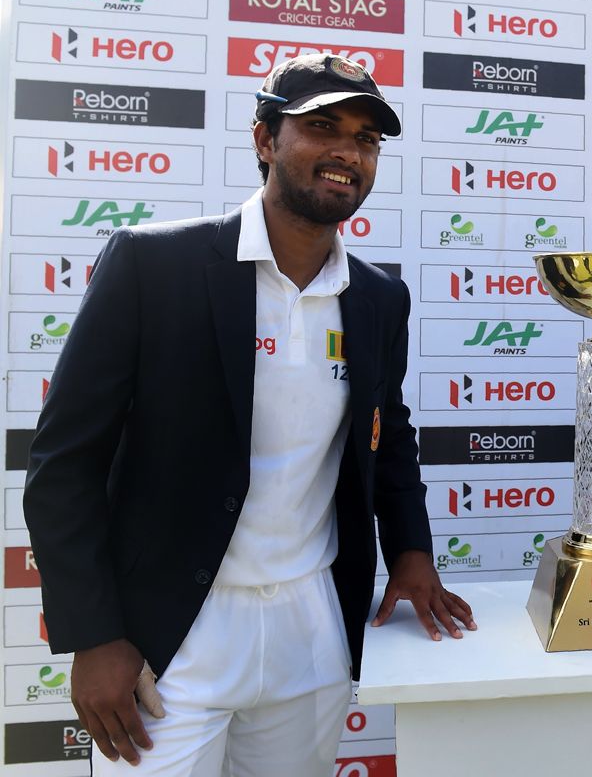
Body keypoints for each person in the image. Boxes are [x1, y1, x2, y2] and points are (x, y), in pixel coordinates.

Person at [24, 53, 475, 775]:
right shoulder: (151, 264)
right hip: (168, 638)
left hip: (311, 632)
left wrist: (413, 555)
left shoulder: (378, 298)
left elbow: (388, 438)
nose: (347, 152)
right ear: (265, 139)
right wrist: (95, 635)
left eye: (366, 139)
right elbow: (62, 465)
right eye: (322, 126)